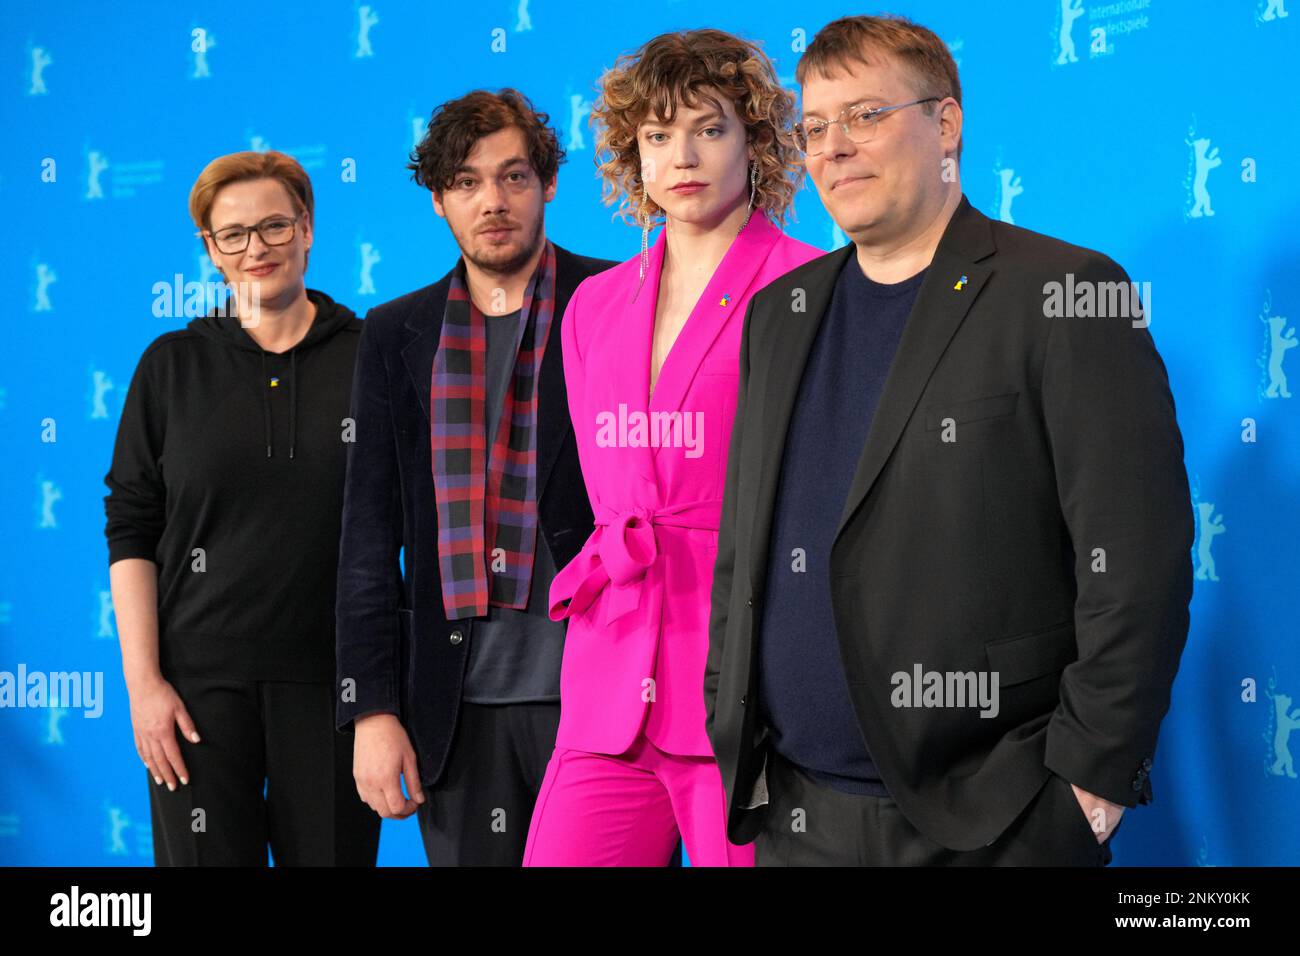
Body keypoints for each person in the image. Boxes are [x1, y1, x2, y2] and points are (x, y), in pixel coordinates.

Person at [705, 14, 1193, 866]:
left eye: (865, 116)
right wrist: (733, 718)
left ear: (947, 124)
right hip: (795, 814)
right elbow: (744, 547)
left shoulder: (1068, 291)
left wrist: (1090, 783)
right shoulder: (778, 314)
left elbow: (1138, 557)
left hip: (994, 820)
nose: (833, 148)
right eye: (814, 128)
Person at [523, 29, 823, 867]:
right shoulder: (593, 306)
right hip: (610, 668)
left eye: (709, 128)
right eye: (657, 135)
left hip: (747, 680)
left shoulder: (810, 288)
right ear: (633, 156)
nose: (681, 155)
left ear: (756, 141)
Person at [335, 89, 618, 866]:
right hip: (455, 703)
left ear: (550, 184)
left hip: (599, 696)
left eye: (514, 176)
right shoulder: (396, 333)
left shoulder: (614, 303)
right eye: (466, 181)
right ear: (437, 200)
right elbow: (368, 532)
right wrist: (373, 710)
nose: (491, 201)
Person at [104, 150, 379, 865]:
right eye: (233, 234)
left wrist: (382, 698)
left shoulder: (372, 358)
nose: (256, 248)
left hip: (333, 689)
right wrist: (145, 687)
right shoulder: (170, 366)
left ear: (309, 229)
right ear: (210, 251)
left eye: (274, 227)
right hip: (196, 697)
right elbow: (131, 526)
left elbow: (400, 527)